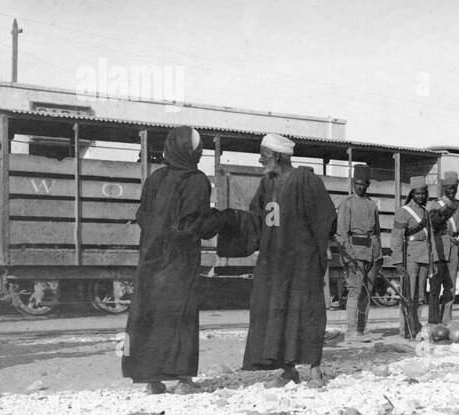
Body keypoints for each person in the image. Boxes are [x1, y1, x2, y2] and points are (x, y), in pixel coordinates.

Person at [122, 127, 220, 394]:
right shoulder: (197, 180)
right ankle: (184, 380)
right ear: (189, 150)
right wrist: (215, 220)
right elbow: (193, 224)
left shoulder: (155, 179)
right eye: (198, 148)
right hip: (179, 262)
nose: (200, 153)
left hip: (151, 259)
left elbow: (143, 216)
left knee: (150, 315)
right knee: (181, 317)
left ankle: (152, 380)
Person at [240, 133, 337, 388]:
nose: (260, 159)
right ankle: (288, 370)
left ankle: (315, 369)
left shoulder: (305, 180)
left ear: (279, 156)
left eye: (265, 154)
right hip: (274, 262)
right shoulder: (267, 184)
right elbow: (255, 218)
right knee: (278, 314)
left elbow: (325, 217)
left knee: (308, 312)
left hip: (302, 263)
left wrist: (316, 253)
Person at [335, 172, 383, 343]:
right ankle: (350, 331)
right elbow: (341, 233)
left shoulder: (372, 205)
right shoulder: (346, 204)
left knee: (367, 292)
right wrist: (348, 257)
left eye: (363, 184)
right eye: (357, 183)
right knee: (355, 290)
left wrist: (379, 254)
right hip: (355, 254)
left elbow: (376, 232)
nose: (360, 187)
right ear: (353, 184)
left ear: (368, 184)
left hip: (372, 254)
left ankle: (361, 330)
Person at [393, 176, 435, 339]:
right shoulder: (404, 212)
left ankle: (416, 326)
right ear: (412, 194)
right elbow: (397, 237)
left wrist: (433, 260)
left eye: (423, 193)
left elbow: (430, 237)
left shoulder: (425, 212)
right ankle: (405, 329)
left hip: (424, 255)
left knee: (419, 296)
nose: (420, 196)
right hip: (409, 256)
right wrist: (397, 261)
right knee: (408, 295)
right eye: (417, 194)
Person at [427, 171, 459, 323]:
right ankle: (434, 319)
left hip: (454, 246)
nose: (452, 190)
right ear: (443, 188)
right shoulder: (436, 204)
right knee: (436, 286)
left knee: (450, 286)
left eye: (454, 187)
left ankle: (446, 319)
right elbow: (432, 224)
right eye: (448, 187)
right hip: (440, 245)